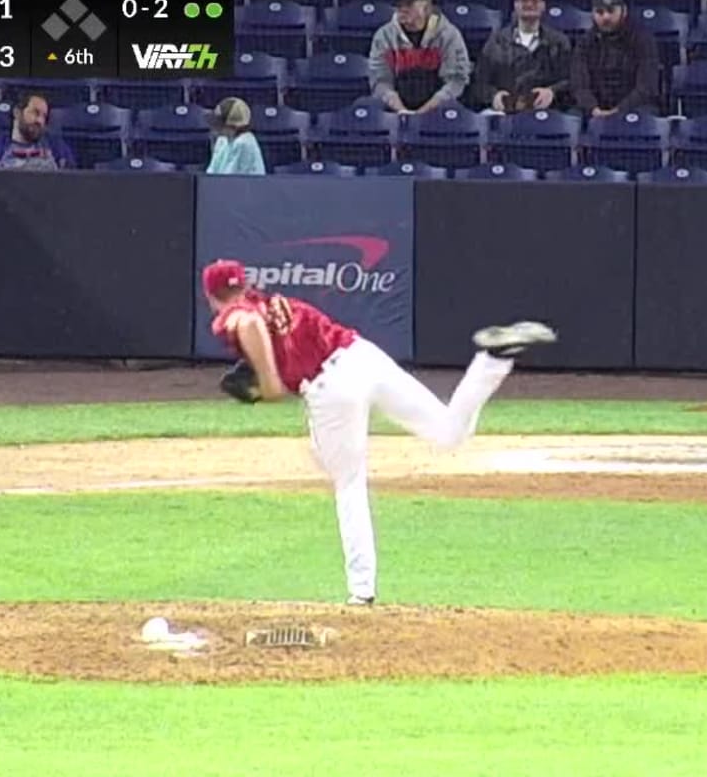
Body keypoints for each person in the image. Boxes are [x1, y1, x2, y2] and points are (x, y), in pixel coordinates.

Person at [202, 258, 557, 605]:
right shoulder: (271, 300)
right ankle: (494, 359)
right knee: (449, 432)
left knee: (348, 482)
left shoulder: (230, 316)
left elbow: (246, 322)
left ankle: (362, 590)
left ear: (211, 295)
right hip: (361, 356)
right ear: (245, 284)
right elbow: (263, 323)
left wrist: (269, 379)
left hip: (332, 387)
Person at [469, 0, 572, 113]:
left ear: (543, 6)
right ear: (515, 5)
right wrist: (493, 96)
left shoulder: (559, 42)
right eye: (524, 1)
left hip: (547, 113)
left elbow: (571, 81)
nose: (529, 5)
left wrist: (552, 92)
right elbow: (479, 83)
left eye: (534, 1)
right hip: (505, 114)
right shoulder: (496, 41)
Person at [368, 0, 473, 114]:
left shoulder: (449, 35)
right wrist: (402, 111)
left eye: (409, 4)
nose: (403, 9)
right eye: (399, 4)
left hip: (440, 111)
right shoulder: (384, 36)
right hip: (394, 112)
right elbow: (380, 81)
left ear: (426, 7)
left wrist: (424, 112)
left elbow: (455, 81)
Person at [570, 0, 659, 117]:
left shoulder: (643, 40)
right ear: (592, 14)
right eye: (600, 12)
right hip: (594, 108)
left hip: (634, 106)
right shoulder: (585, 42)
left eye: (611, 11)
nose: (606, 17)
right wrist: (593, 108)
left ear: (624, 11)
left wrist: (618, 110)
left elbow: (646, 87)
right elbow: (579, 85)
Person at [0, 91, 76, 170]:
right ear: (17, 113)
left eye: (44, 116)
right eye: (35, 113)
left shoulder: (58, 148)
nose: (40, 121)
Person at [204, 96, 265, 175]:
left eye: (219, 123)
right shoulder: (222, 140)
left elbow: (230, 178)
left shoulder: (244, 143)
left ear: (232, 125)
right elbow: (211, 171)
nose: (215, 127)